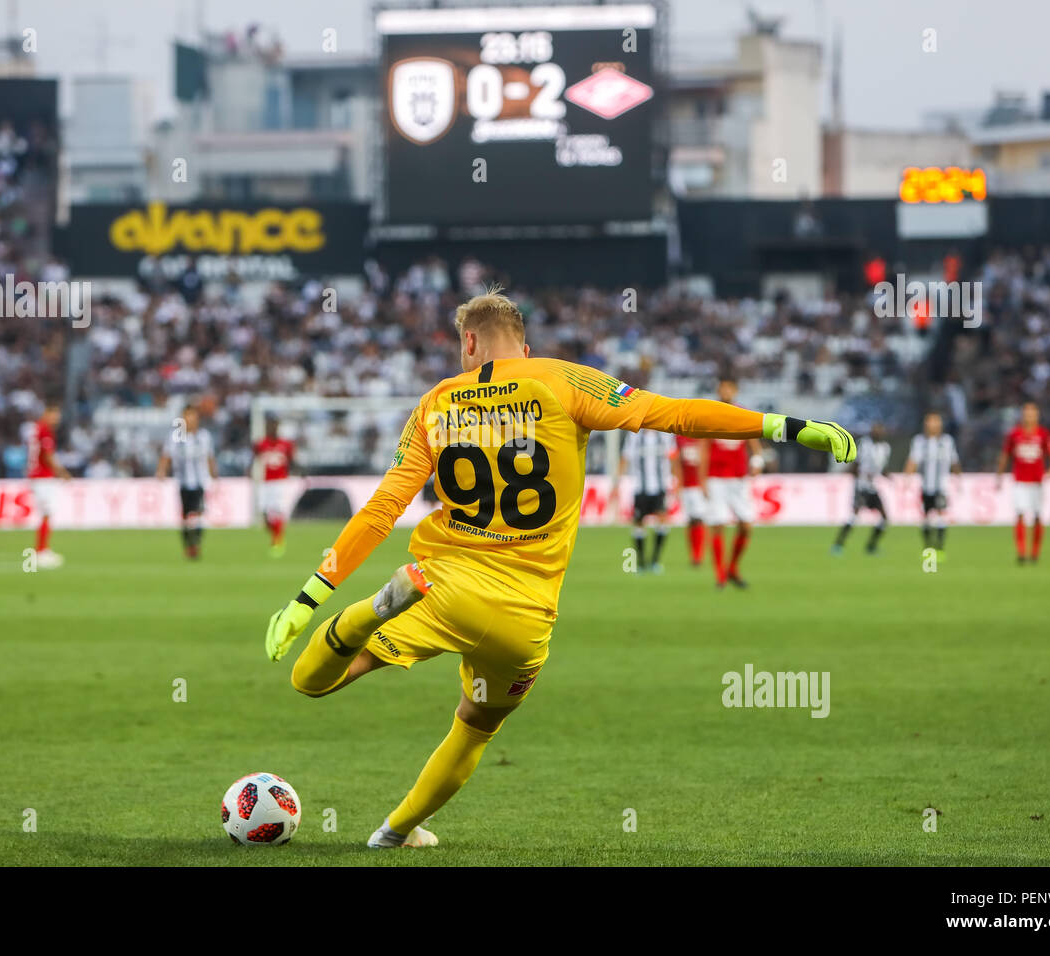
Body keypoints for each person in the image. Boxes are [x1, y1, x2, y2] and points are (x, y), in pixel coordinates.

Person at [263, 288, 856, 849]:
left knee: (310, 681)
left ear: (468, 345)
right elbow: (671, 414)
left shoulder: (436, 402)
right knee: (475, 725)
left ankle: (365, 614)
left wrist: (307, 597)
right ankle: (393, 833)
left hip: (444, 587)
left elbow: (382, 508)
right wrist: (784, 424)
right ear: (523, 348)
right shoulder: (561, 379)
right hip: (527, 615)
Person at [701, 378, 764, 589]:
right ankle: (720, 575)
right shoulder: (711, 413)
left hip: (738, 477)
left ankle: (733, 568)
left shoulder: (743, 413)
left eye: (729, 388)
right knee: (718, 524)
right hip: (716, 477)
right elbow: (704, 449)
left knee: (746, 525)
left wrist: (757, 462)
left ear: (735, 390)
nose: (725, 391)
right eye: (722, 388)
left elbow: (755, 444)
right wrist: (702, 480)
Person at [996, 401, 1050, 564]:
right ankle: (1022, 553)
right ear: (1022, 415)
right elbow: (1005, 456)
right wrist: (999, 476)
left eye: (1032, 413)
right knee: (1020, 515)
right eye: (1026, 413)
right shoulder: (1014, 434)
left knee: (1038, 516)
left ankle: (1035, 553)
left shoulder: (1043, 434)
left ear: (1037, 415)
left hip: (1037, 481)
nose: (1029, 416)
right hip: (1020, 481)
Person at [156, 404, 217, 559]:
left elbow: (210, 457)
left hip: (200, 481)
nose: (189, 419)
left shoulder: (204, 436)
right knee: (185, 516)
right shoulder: (177, 435)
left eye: (192, 416)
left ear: (197, 418)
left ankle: (195, 544)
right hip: (183, 482)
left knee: (197, 514)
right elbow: (167, 455)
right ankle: (188, 545)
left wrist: (214, 474)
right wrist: (162, 470)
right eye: (186, 416)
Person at [615, 427, 674, 573]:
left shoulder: (664, 436)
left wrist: (676, 481)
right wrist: (616, 483)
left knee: (662, 520)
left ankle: (655, 560)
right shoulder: (634, 436)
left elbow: (674, 457)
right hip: (640, 488)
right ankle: (641, 562)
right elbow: (625, 458)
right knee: (639, 523)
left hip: (660, 487)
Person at [24, 400, 71, 569]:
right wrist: (62, 472)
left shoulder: (36, 428)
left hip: (38, 476)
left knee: (46, 513)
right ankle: (41, 551)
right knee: (46, 513)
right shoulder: (44, 430)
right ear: (47, 414)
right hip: (43, 477)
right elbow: (48, 456)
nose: (57, 418)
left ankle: (43, 549)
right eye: (55, 415)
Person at [905, 412, 960, 554]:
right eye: (930, 422)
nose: (933, 425)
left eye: (936, 422)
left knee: (941, 514)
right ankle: (928, 546)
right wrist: (907, 477)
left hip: (941, 487)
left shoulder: (947, 441)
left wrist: (958, 478)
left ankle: (940, 547)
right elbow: (913, 460)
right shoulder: (919, 441)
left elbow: (954, 461)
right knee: (925, 517)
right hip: (925, 486)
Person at [833, 423, 891, 555]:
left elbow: (882, 468)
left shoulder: (885, 448)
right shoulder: (864, 444)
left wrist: (889, 477)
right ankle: (838, 545)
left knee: (884, 517)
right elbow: (855, 464)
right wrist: (855, 474)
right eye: (875, 430)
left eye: (880, 430)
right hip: (861, 486)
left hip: (872, 487)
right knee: (853, 516)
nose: (877, 432)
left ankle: (871, 546)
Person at [253, 419, 296, 557]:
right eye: (270, 426)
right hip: (266, 482)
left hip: (279, 483)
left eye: (274, 426)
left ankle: (278, 541)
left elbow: (292, 460)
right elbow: (255, 457)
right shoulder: (261, 444)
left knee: (277, 512)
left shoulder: (286, 444)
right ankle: (275, 536)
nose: (272, 429)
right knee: (265, 514)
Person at [674, 435, 707, 565]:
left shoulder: (702, 436)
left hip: (699, 485)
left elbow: (706, 459)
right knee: (691, 520)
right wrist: (678, 482)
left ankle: (699, 554)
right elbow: (676, 461)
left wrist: (704, 481)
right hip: (686, 485)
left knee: (699, 519)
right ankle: (693, 554)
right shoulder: (679, 438)